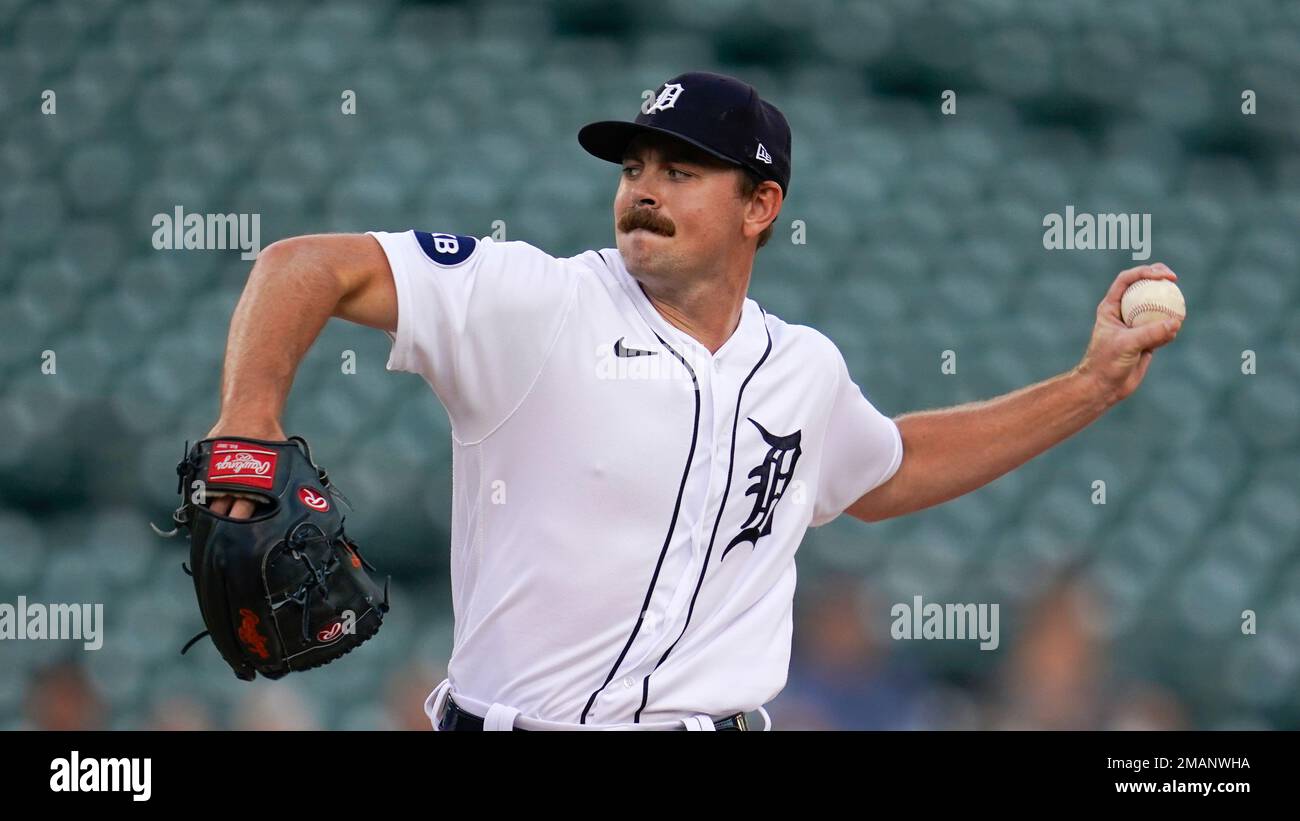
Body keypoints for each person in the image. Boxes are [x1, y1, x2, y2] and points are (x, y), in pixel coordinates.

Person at [201, 71, 1182, 731]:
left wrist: (1090, 385)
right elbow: (306, 265)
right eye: (633, 168)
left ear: (760, 207)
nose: (642, 190)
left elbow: (895, 466)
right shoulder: (538, 301)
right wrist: (247, 426)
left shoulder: (801, 368)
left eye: (679, 169)